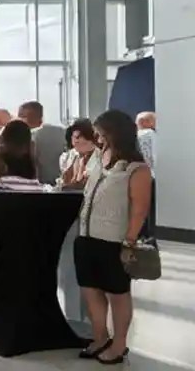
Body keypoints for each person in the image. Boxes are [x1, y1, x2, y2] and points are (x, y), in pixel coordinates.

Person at [75, 109, 153, 365]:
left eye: (101, 132)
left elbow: (140, 209)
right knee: (91, 290)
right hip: (86, 236)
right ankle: (100, 337)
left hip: (114, 240)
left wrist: (129, 242)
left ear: (115, 133)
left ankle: (119, 344)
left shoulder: (137, 169)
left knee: (117, 295)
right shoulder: (98, 157)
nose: (97, 137)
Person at [19, 101, 66, 186]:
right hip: (62, 186)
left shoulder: (28, 137)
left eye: (21, 116)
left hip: (37, 187)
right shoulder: (63, 132)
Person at [59, 118, 100, 191]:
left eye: (77, 138)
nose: (75, 141)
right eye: (73, 137)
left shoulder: (99, 157)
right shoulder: (70, 155)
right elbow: (63, 180)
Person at [136, 111, 157, 237]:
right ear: (146, 122)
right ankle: (149, 234)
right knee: (150, 208)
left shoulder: (135, 136)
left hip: (137, 175)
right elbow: (154, 156)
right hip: (151, 176)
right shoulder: (151, 135)